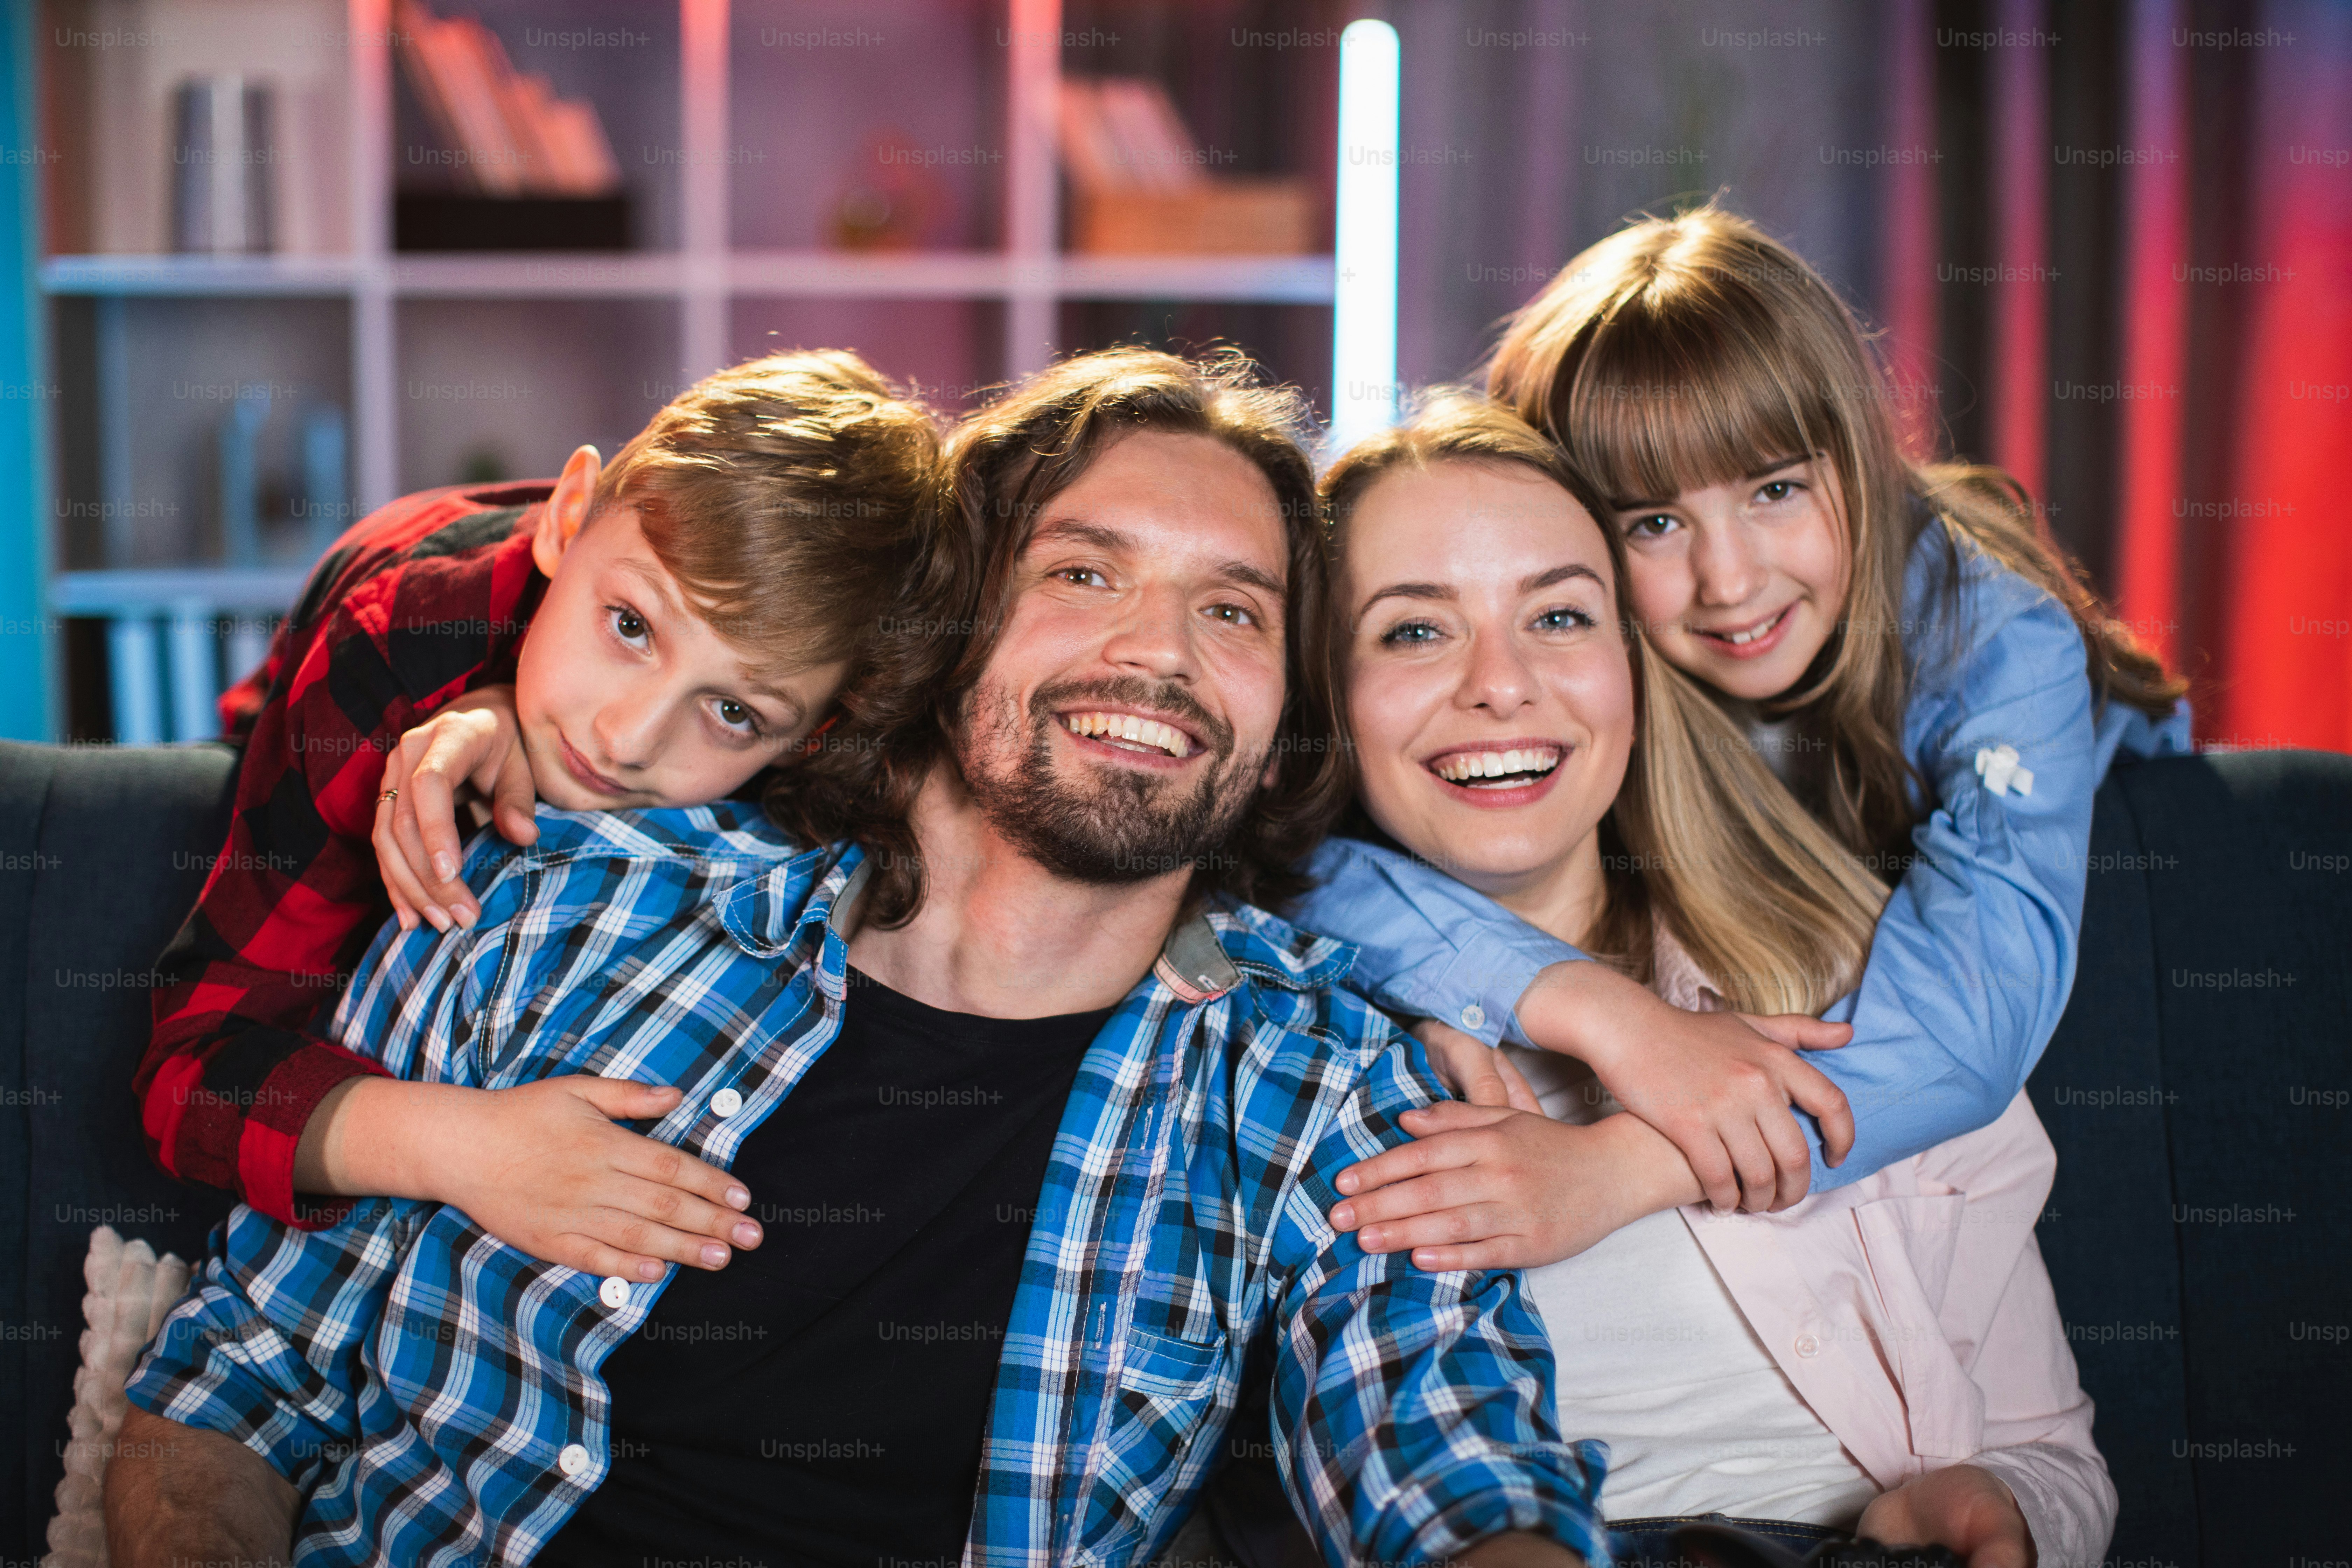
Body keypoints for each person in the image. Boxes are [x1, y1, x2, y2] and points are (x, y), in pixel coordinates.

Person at [105, 350, 1608, 1568]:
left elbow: (1452, 1456)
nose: (1157, 652)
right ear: (939, 633)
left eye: (1232, 609)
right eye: (1085, 574)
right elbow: (238, 1386)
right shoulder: (568, 907)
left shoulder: (1318, 1080)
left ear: (1286, 711)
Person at [1289, 393, 2109, 1568]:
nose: (1502, 684)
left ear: (1633, 665)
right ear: (1322, 691)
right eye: (1415, 632)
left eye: (1560, 616)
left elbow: (2054, 1454)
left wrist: (2001, 1505)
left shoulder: (1854, 975)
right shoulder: (1275, 1029)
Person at [1293, 205, 2192, 1255]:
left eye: (1775, 489)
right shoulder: (1579, 674)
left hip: (2093, 885)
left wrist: (1624, 1165)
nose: (1730, 581)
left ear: (1856, 462)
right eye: (1655, 522)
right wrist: (1570, 1006)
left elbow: (1967, 1026)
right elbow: (1298, 862)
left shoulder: (1996, 638)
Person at [133, 350, 952, 1284]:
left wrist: (502, 707)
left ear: (815, 735)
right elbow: (190, 1076)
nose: (626, 738)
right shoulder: (389, 649)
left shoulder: (819, 740)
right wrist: (470, 1150)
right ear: (569, 519)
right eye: (633, 626)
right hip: (298, 726)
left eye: (734, 713)